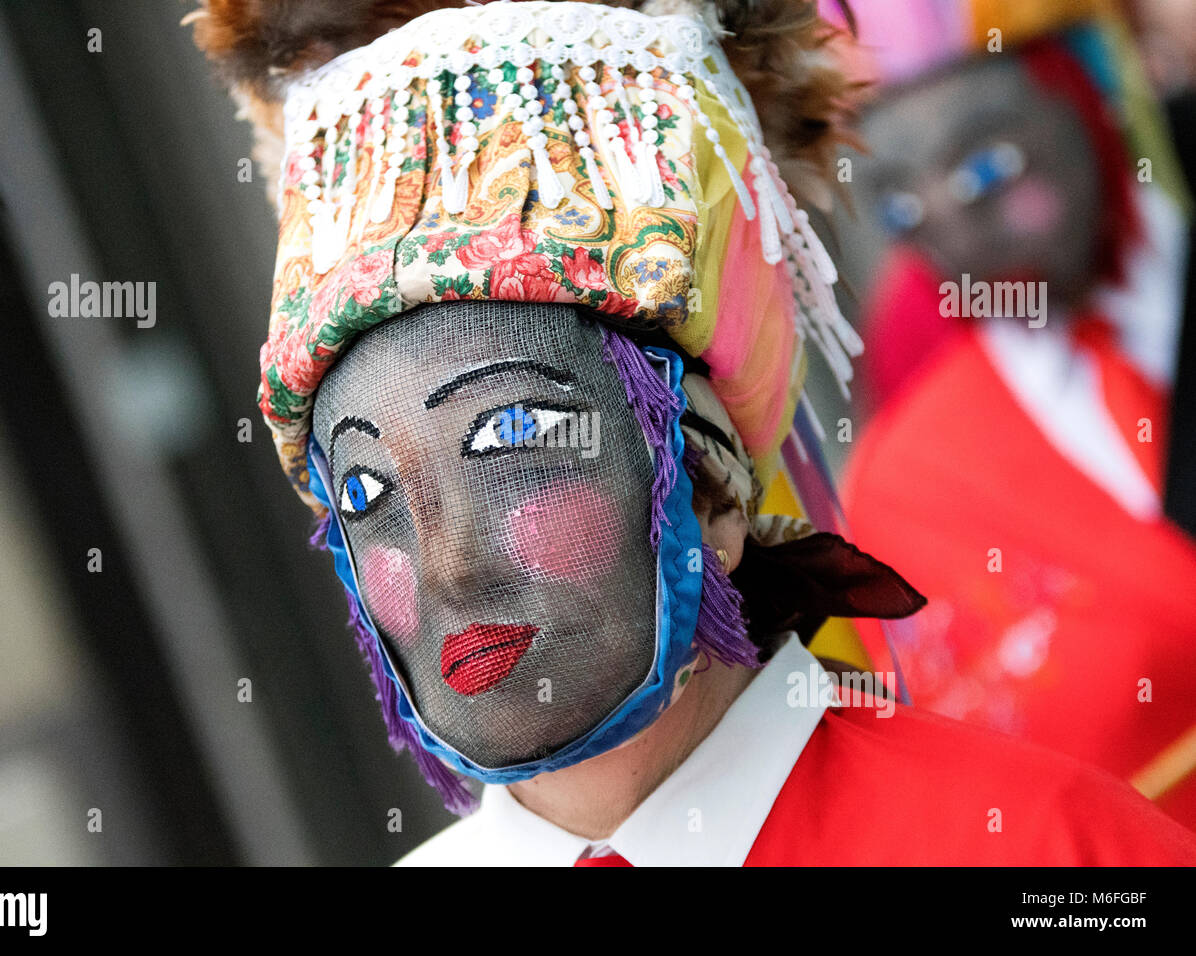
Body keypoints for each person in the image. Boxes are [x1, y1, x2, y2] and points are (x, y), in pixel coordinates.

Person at [190, 0, 1196, 864]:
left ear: (707, 481)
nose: (450, 567)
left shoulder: (1045, 851)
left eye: (510, 435)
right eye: (365, 493)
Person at [828, 0, 1196, 827]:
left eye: (987, 169)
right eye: (900, 206)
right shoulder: (906, 483)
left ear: (1086, 94)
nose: (955, 232)